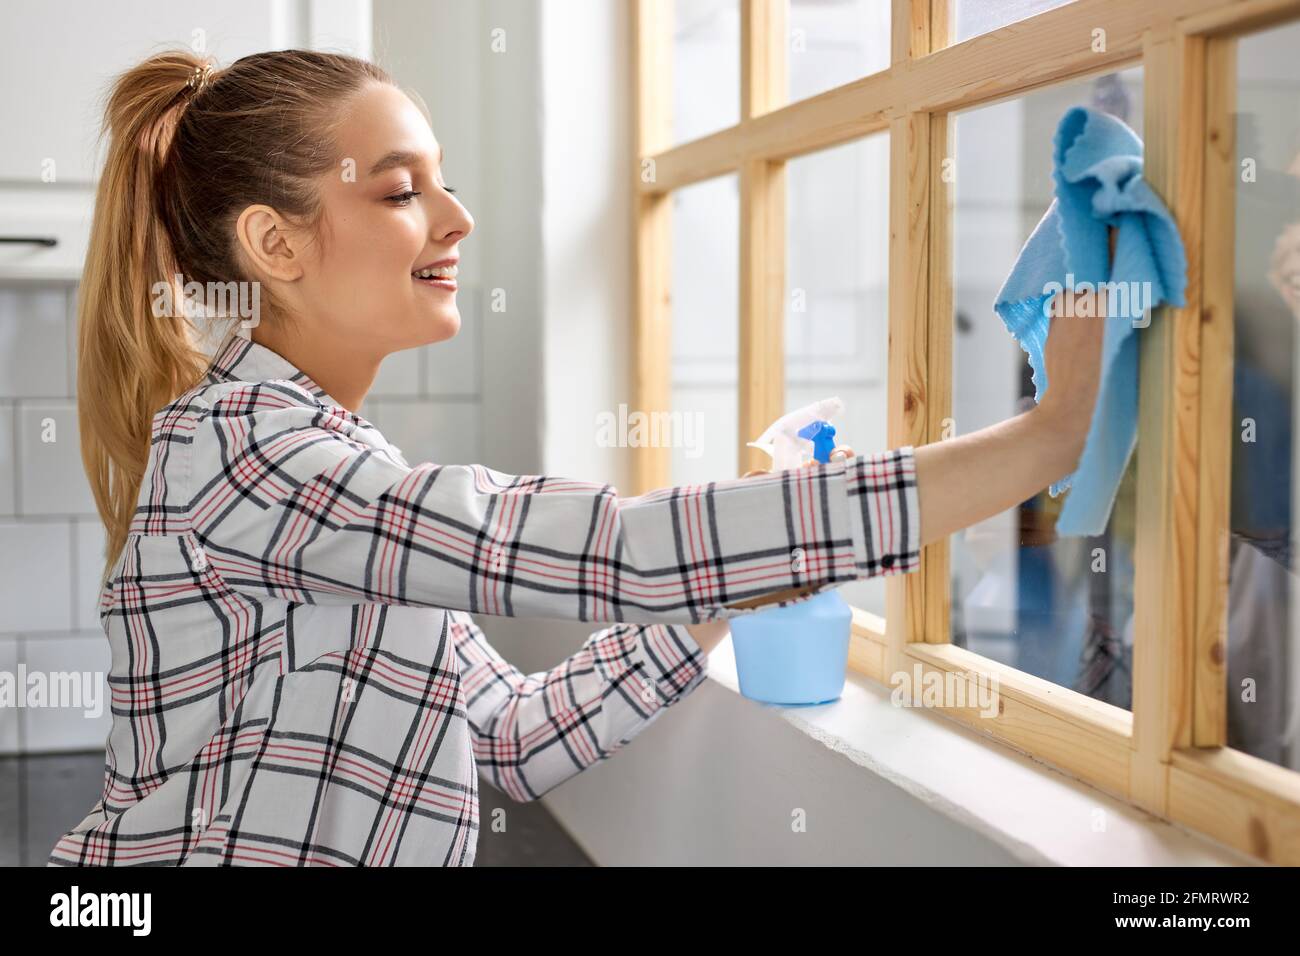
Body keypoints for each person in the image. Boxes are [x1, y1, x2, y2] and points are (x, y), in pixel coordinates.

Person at [51, 49, 1104, 866]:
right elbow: (618, 548)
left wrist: (730, 576)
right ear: (276, 247)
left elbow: (509, 733)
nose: (458, 218)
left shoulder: (325, 458)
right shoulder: (252, 454)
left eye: (443, 182)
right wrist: (1046, 433)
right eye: (401, 189)